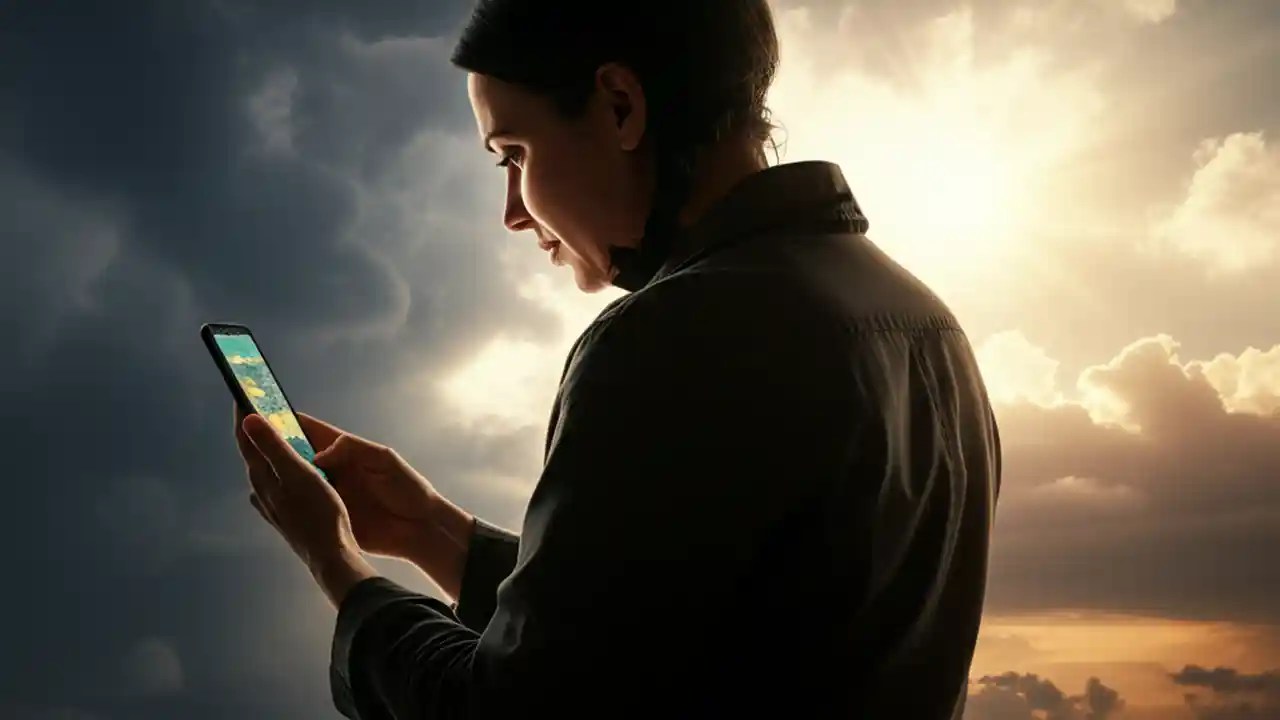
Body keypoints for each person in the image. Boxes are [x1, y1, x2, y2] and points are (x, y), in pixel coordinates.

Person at [233, 0, 1003, 717]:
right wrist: (432, 529)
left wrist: (333, 560)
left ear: (619, 107)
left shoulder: (667, 336)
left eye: (513, 153)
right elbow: (686, 639)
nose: (511, 213)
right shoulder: (932, 327)